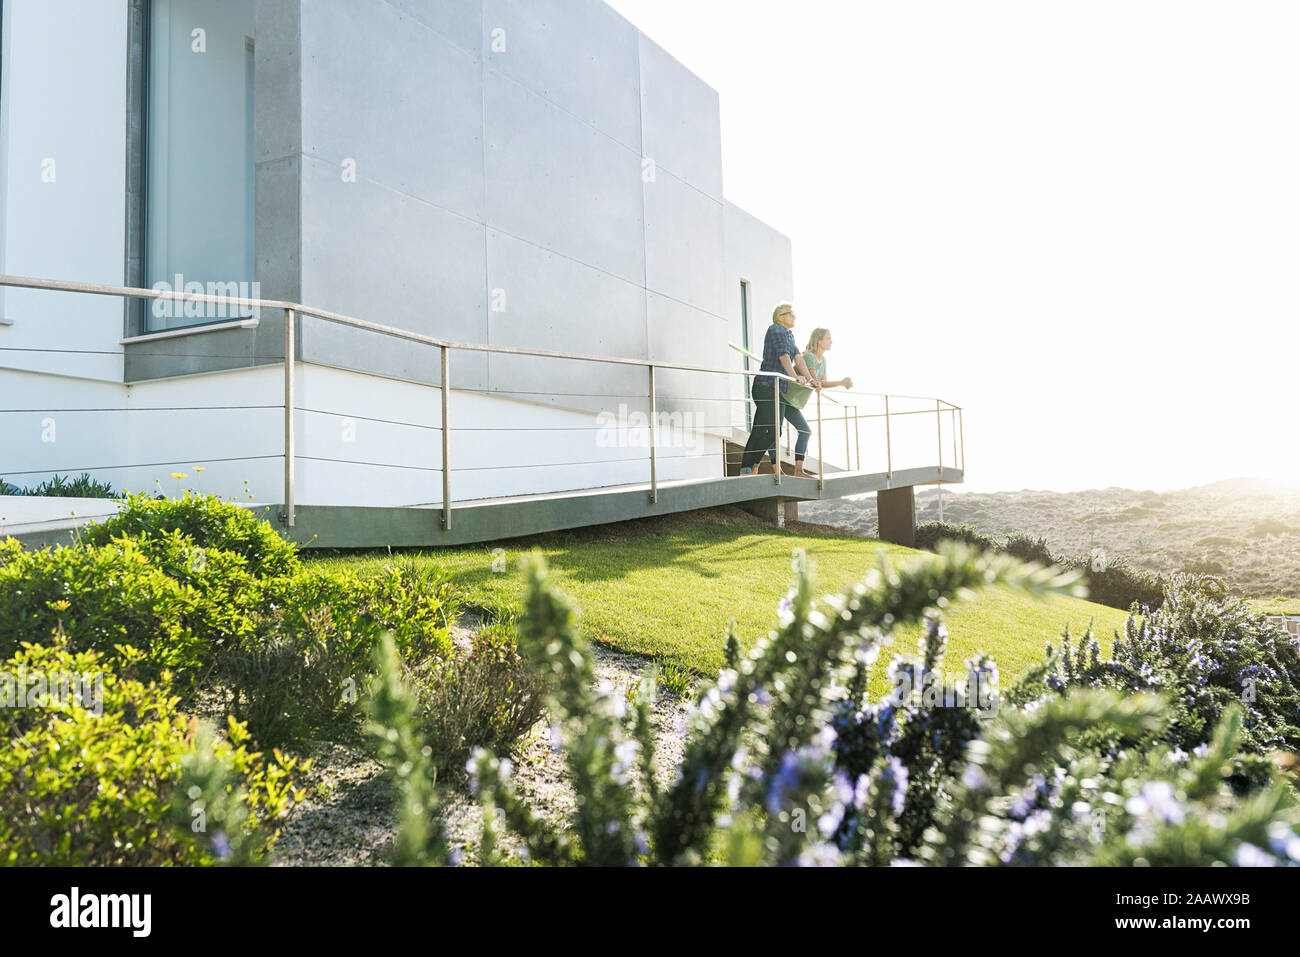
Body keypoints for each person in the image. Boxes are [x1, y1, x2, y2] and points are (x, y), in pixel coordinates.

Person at [738, 303, 815, 478]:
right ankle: (753, 464)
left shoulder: (789, 334)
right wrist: (795, 376)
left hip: (776, 390)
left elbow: (798, 357)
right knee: (774, 431)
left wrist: (811, 380)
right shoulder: (776, 329)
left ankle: (746, 468)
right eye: (791, 314)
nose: (794, 316)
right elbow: (784, 356)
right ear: (780, 317)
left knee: (759, 429)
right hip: (765, 387)